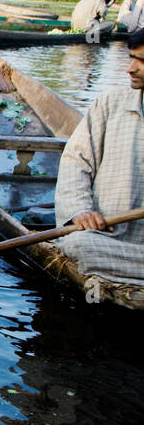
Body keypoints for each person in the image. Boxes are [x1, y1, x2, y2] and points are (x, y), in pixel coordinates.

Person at [52, 27, 144, 286]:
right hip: (105, 237)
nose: (130, 68)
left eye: (141, 61)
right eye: (131, 58)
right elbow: (75, 161)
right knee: (79, 244)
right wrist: (81, 211)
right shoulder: (110, 104)